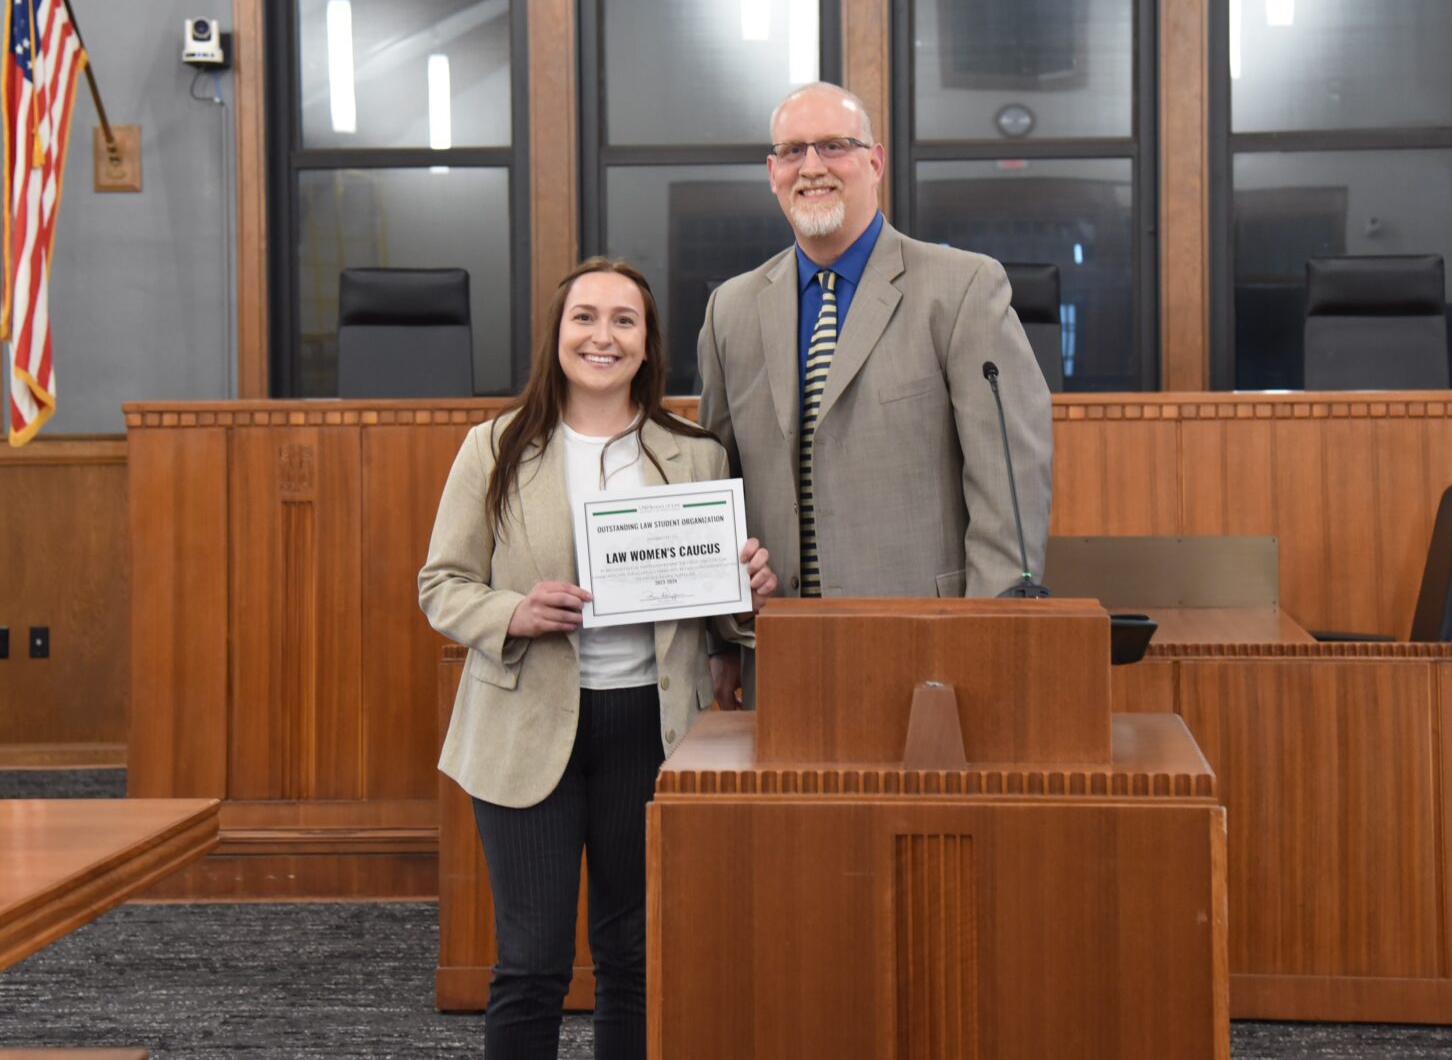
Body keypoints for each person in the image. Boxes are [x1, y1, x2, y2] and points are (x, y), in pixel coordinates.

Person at [418, 258, 775, 1060]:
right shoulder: (496, 447)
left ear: (648, 347)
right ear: (557, 334)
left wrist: (746, 586)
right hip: (525, 723)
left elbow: (718, 618)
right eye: (585, 317)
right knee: (532, 962)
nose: (602, 335)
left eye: (624, 320)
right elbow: (441, 584)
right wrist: (514, 609)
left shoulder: (697, 455)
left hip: (649, 725)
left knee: (635, 959)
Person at [696, 81, 1053, 705]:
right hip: (778, 655)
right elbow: (715, 486)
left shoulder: (962, 287)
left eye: (834, 146)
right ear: (773, 171)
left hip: (929, 651)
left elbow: (1008, 485)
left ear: (875, 162)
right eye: (793, 151)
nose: (812, 167)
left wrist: (991, 638)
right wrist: (721, 637)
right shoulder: (731, 309)